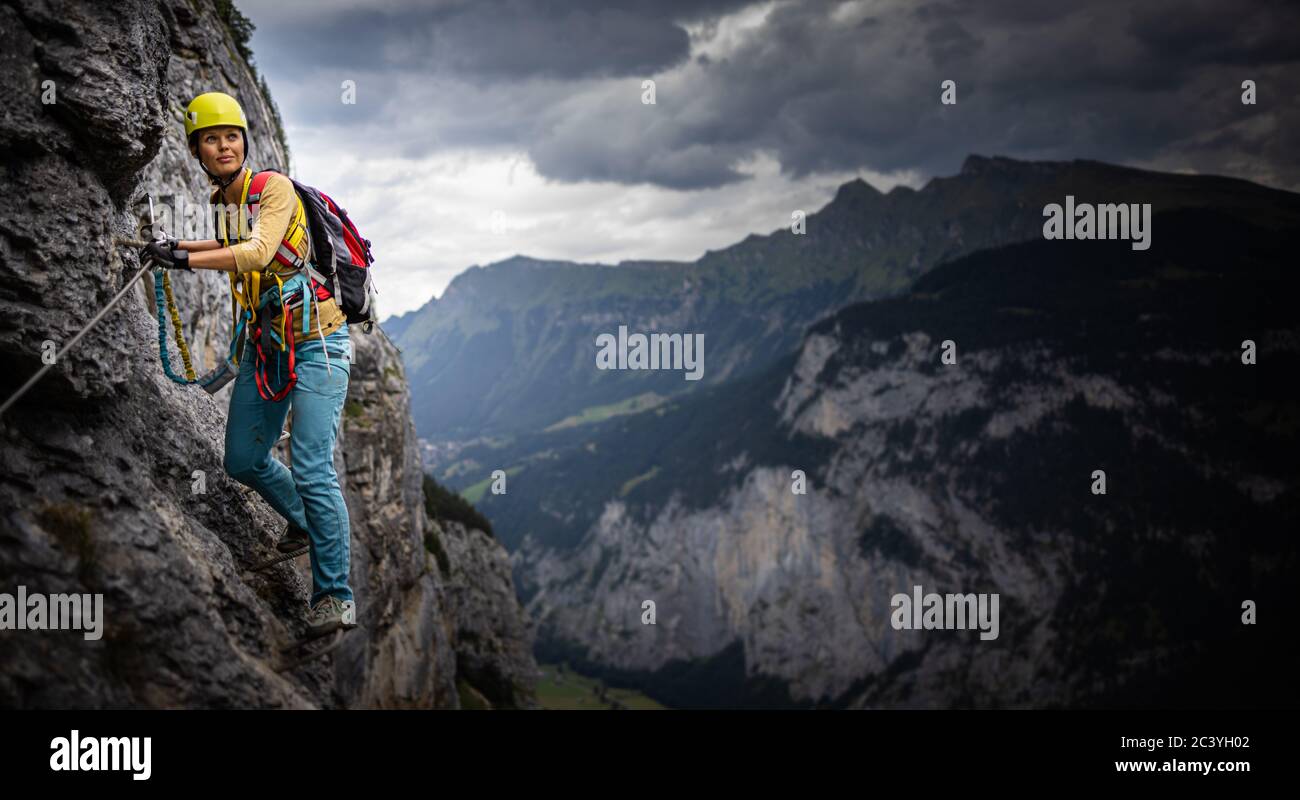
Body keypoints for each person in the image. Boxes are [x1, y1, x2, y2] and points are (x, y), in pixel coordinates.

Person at [142, 91, 356, 635]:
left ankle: (334, 597)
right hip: (268, 346)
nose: (223, 146)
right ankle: (308, 523)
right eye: (211, 140)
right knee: (242, 459)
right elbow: (226, 241)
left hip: (319, 343)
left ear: (244, 141)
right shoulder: (225, 203)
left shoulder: (275, 189)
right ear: (196, 151)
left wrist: (185, 260)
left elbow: (259, 252)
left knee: (311, 467)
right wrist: (172, 245)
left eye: (230, 136)